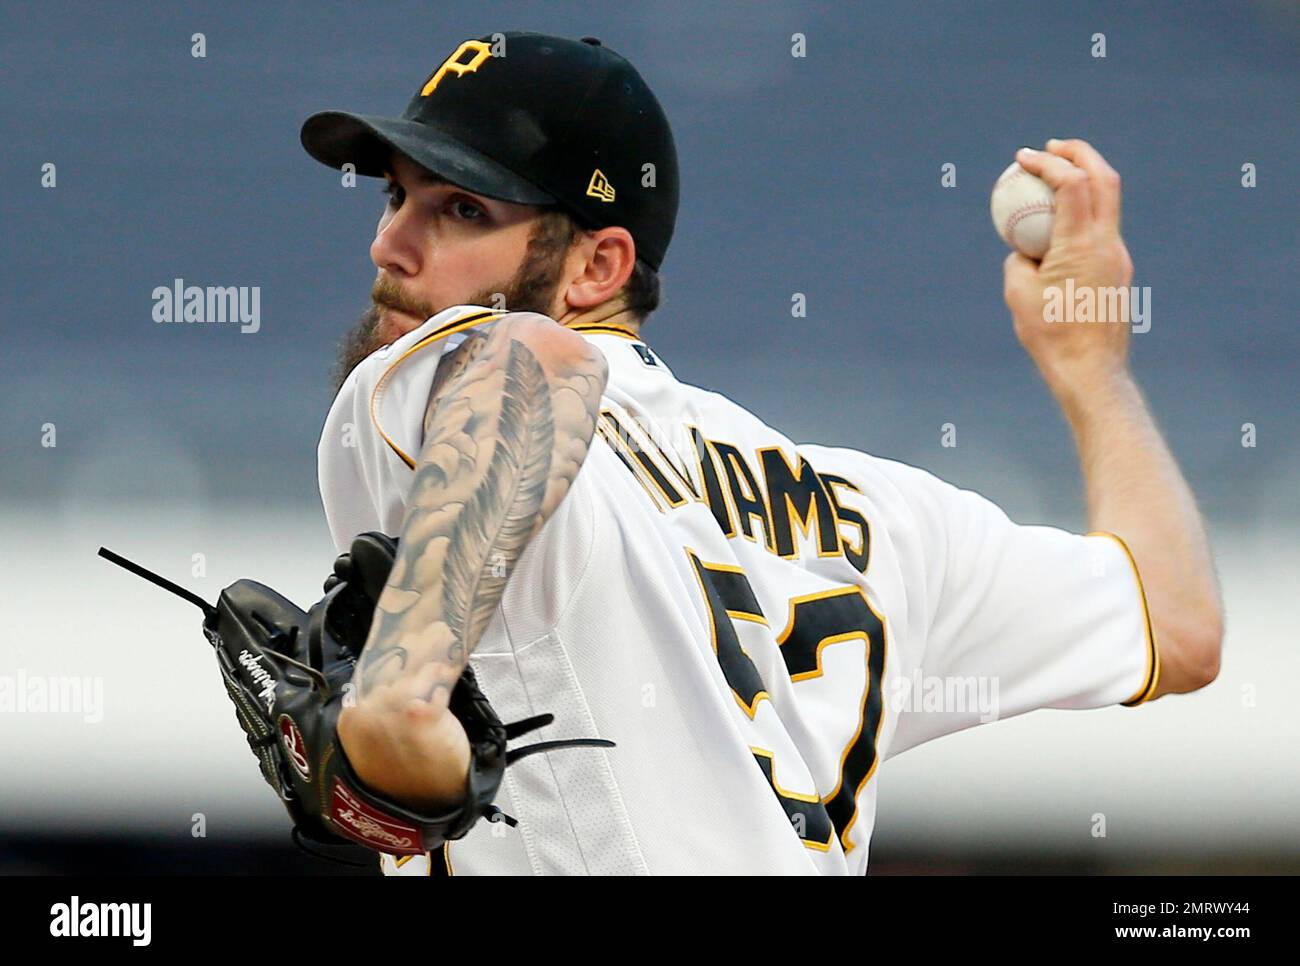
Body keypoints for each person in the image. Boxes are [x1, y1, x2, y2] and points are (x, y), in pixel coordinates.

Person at [301, 31, 1222, 875]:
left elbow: (531, 357)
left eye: (461, 209)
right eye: (396, 195)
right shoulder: (879, 516)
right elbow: (1175, 624)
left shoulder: (450, 372)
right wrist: (1090, 368)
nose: (391, 244)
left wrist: (400, 688)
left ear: (596, 268)